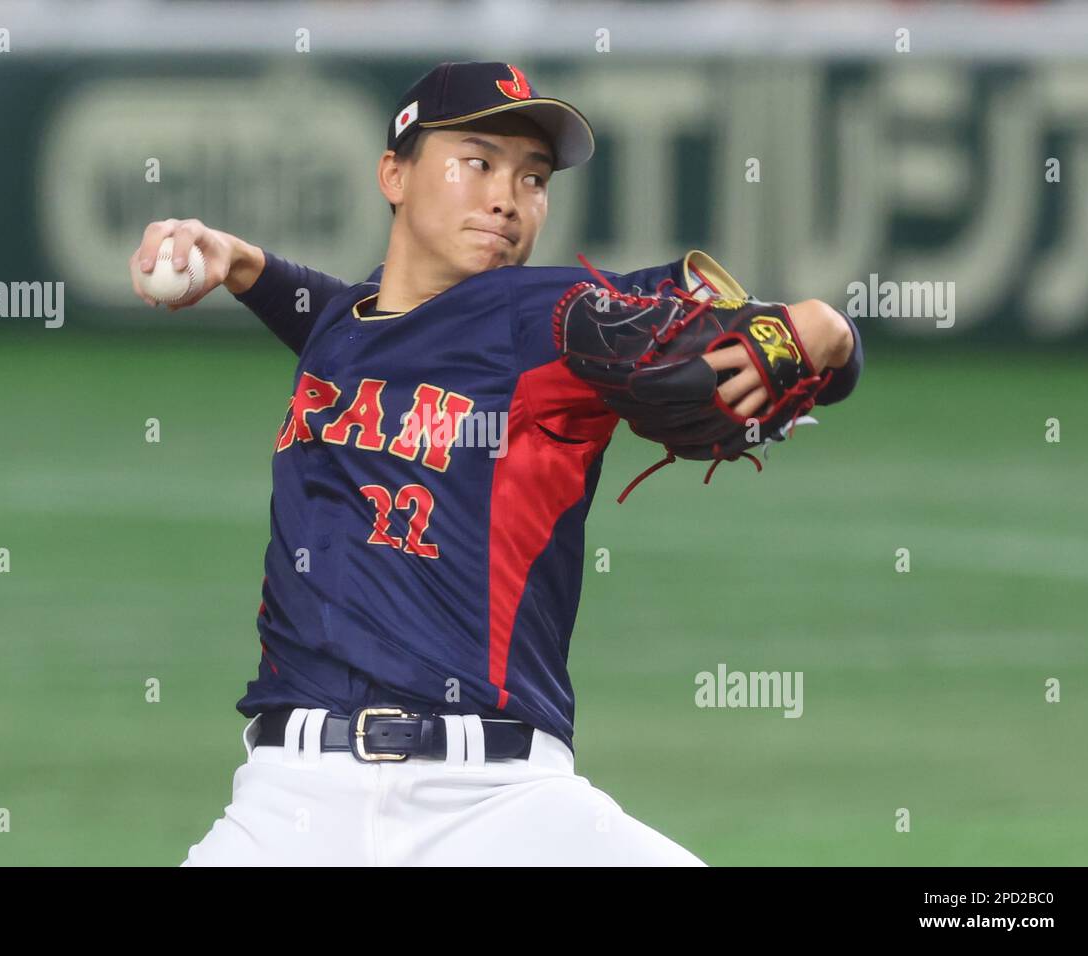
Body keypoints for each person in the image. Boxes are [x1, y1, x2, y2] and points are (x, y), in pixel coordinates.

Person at [129, 61, 863, 866]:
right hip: (287, 803)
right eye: (477, 162)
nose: (508, 197)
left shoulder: (552, 318)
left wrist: (825, 332)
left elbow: (781, 333)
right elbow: (340, 314)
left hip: (499, 807)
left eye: (534, 178)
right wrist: (237, 262)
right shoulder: (348, 324)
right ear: (394, 174)